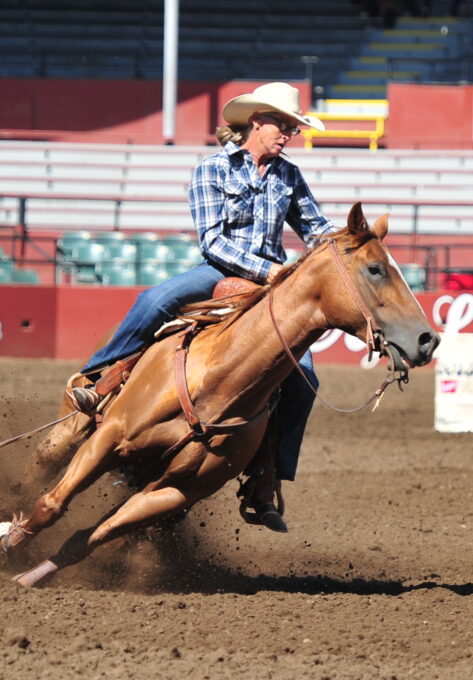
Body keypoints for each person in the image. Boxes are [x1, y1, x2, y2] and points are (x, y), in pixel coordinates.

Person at [73, 82, 334, 532]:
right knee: (154, 300)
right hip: (221, 270)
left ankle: (266, 477)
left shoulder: (289, 176)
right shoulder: (212, 169)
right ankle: (98, 381)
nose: (289, 134)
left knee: (305, 375)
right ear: (257, 122)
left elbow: (316, 227)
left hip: (273, 285)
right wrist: (269, 273)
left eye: (293, 127)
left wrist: (346, 244)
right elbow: (213, 241)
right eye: (284, 125)